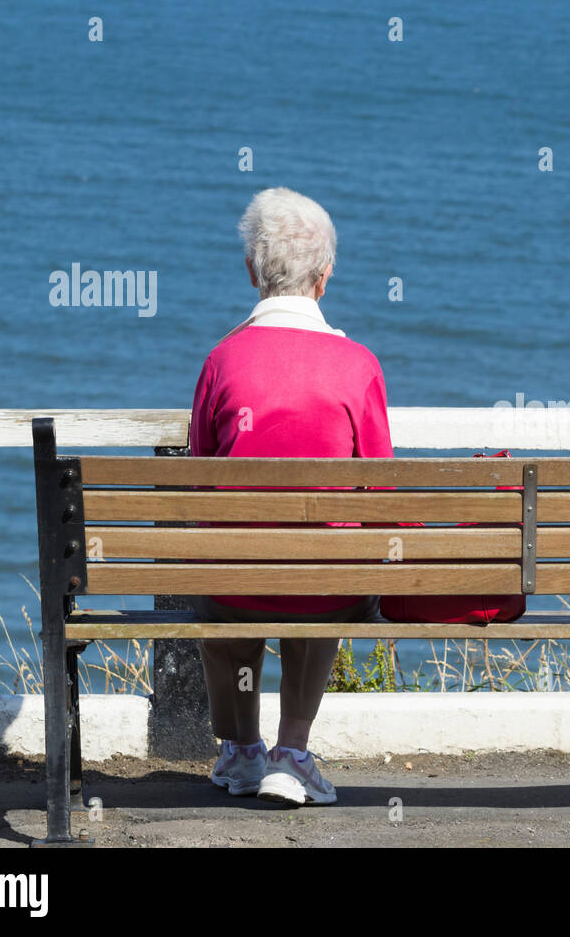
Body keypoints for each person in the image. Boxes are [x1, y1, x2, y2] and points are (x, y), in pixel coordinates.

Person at [188, 187, 393, 806]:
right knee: (324, 564)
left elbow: (200, 479)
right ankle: (293, 754)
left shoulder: (222, 361)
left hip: (235, 587)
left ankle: (244, 749)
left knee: (223, 567)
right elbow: (380, 484)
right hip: (322, 587)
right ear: (325, 277)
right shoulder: (358, 365)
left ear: (252, 271)